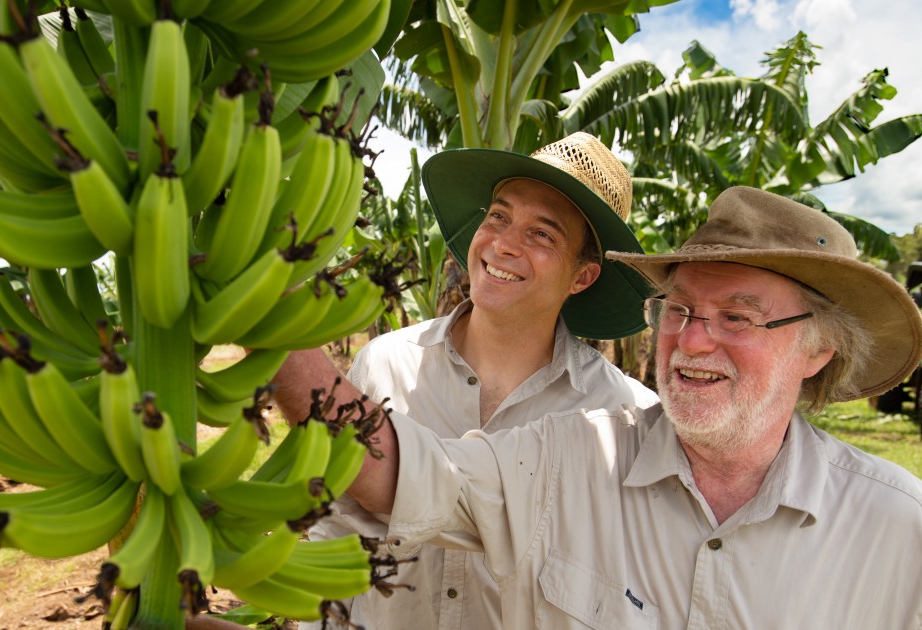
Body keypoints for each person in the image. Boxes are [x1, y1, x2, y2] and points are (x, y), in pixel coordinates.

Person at [326, 187, 922, 628]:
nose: (692, 340)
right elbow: (407, 475)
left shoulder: (908, 537)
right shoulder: (572, 456)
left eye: (737, 317)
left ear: (817, 349)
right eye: (679, 310)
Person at [271, 132, 658, 629]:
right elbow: (335, 536)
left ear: (582, 277)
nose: (503, 244)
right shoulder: (385, 365)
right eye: (498, 216)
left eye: (542, 234)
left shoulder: (621, 418)